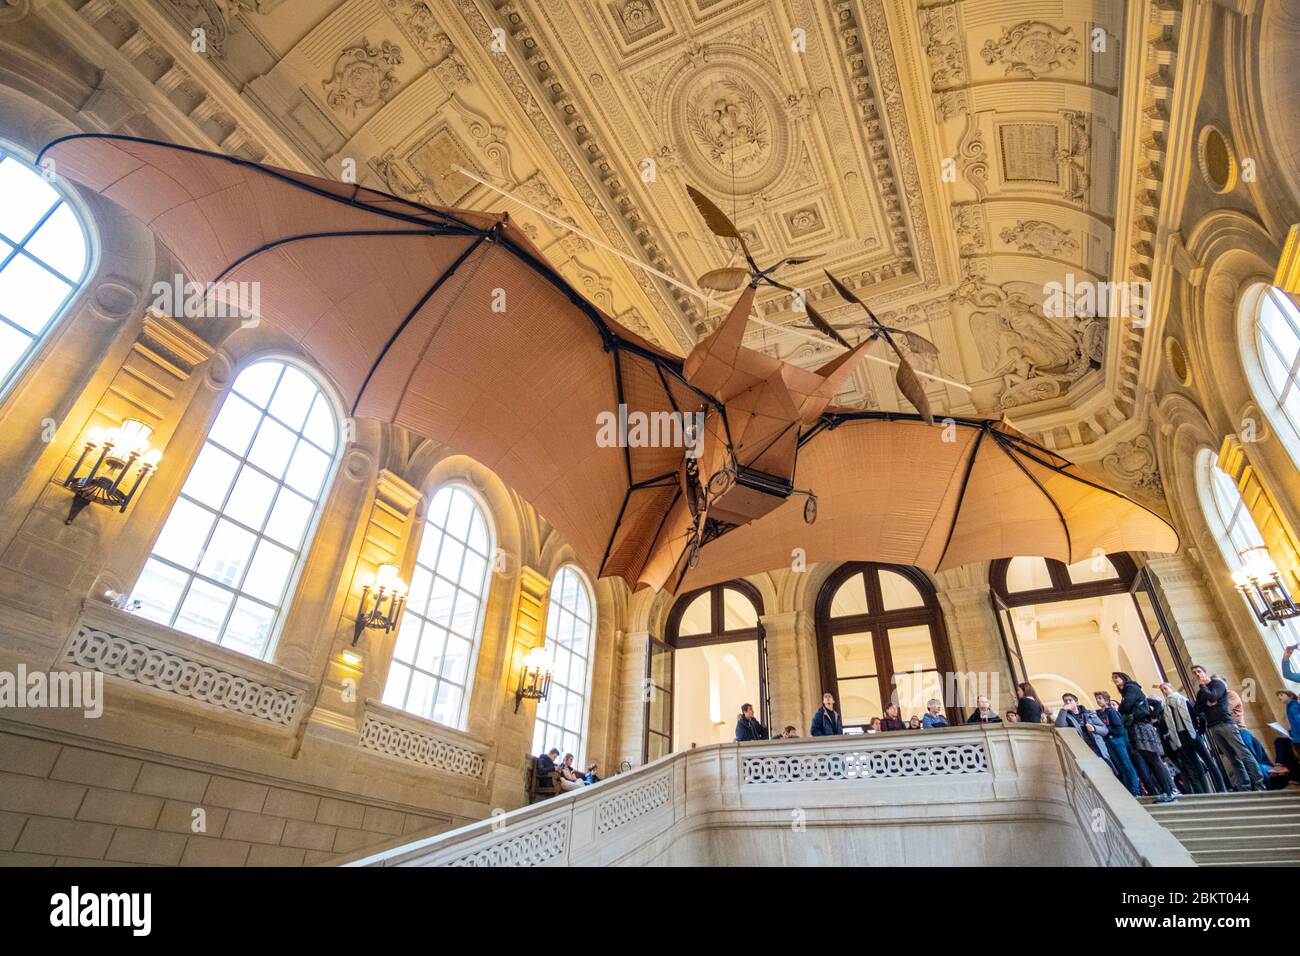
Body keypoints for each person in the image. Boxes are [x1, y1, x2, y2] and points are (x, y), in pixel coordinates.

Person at [1192, 664, 1266, 791]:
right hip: (1213, 727)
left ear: (1205, 672)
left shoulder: (1217, 684)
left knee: (1244, 754)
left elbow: (1213, 697)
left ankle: (1259, 785)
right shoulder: (1200, 693)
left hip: (1226, 723)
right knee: (1232, 758)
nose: (1197, 674)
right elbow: (1197, 709)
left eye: (1199, 671)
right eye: (1194, 673)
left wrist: (1204, 688)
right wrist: (1207, 703)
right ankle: (1244, 787)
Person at [1112, 672, 1177, 802]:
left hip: (1141, 726)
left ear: (1124, 677)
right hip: (1138, 726)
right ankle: (1167, 791)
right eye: (1113, 679)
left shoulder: (1131, 688)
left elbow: (1125, 707)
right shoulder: (1131, 691)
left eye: (1116, 677)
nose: (1114, 681)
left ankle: (1170, 791)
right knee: (1151, 760)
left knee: (1154, 759)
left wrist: (1150, 715)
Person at [1156, 681, 1216, 794]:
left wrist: (1200, 730)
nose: (1164, 691)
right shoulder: (1166, 707)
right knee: (1196, 766)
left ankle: (1222, 788)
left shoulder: (1183, 700)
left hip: (1193, 733)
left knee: (1208, 761)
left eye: (1165, 688)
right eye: (1162, 689)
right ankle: (1205, 792)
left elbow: (1199, 715)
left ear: (1171, 688)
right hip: (1181, 737)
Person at [1094, 691, 1142, 796]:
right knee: (1119, 766)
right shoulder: (1099, 714)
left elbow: (1119, 728)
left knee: (1126, 764)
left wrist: (1107, 730)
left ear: (1106, 700)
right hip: (1108, 741)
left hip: (1116, 740)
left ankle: (1135, 789)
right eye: (1096, 698)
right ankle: (1128, 790)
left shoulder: (1111, 712)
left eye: (1100, 698)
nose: (1098, 700)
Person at [1055, 693, 1111, 763]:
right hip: (1082, 748)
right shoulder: (1066, 717)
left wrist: (1094, 728)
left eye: (1070, 700)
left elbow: (1105, 731)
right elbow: (1060, 725)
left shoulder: (1089, 713)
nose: (1068, 702)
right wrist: (1063, 710)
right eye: (1065, 701)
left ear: (1077, 702)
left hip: (1097, 746)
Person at [1272, 688, 1300, 784]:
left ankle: (1281, 766)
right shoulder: (1290, 706)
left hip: (1298, 738)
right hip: (1296, 736)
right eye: (1278, 696)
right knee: (1280, 742)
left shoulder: (1294, 705)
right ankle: (1292, 775)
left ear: (1290, 695)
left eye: (1281, 695)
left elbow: (1298, 720)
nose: (1279, 697)